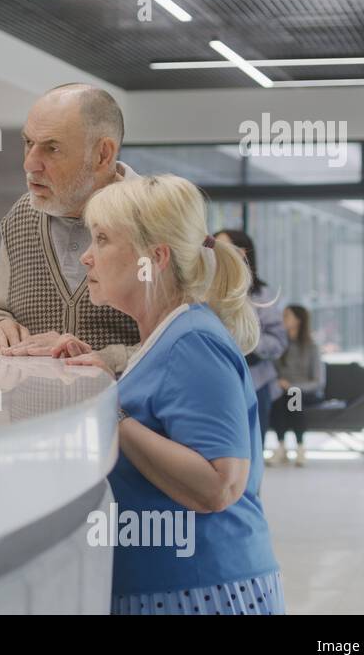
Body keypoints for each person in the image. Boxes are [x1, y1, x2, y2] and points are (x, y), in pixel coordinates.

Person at [52, 174, 283, 614]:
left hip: (199, 590)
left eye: (101, 240)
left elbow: (220, 484)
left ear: (153, 258)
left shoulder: (192, 341)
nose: (86, 257)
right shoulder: (166, 335)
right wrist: (102, 375)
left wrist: (111, 416)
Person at [0, 83, 141, 371]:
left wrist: (109, 359)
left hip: (125, 413)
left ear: (102, 155)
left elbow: (201, 339)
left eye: (52, 148)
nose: (30, 164)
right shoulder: (22, 215)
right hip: (39, 414)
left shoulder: (158, 219)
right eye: (28, 143)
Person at [214, 229, 287, 453]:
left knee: (253, 452)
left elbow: (279, 341)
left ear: (242, 252)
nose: (215, 253)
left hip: (256, 382)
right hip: (219, 380)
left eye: (222, 247)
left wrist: (248, 342)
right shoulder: (205, 291)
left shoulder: (262, 295)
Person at [271, 305, 325, 467]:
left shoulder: (311, 347)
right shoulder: (281, 346)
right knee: (279, 398)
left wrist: (293, 386)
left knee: (294, 396)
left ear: (298, 321)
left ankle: (300, 448)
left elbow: (318, 382)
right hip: (285, 392)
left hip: (307, 392)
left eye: (287, 316)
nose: (282, 319)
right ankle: (281, 447)